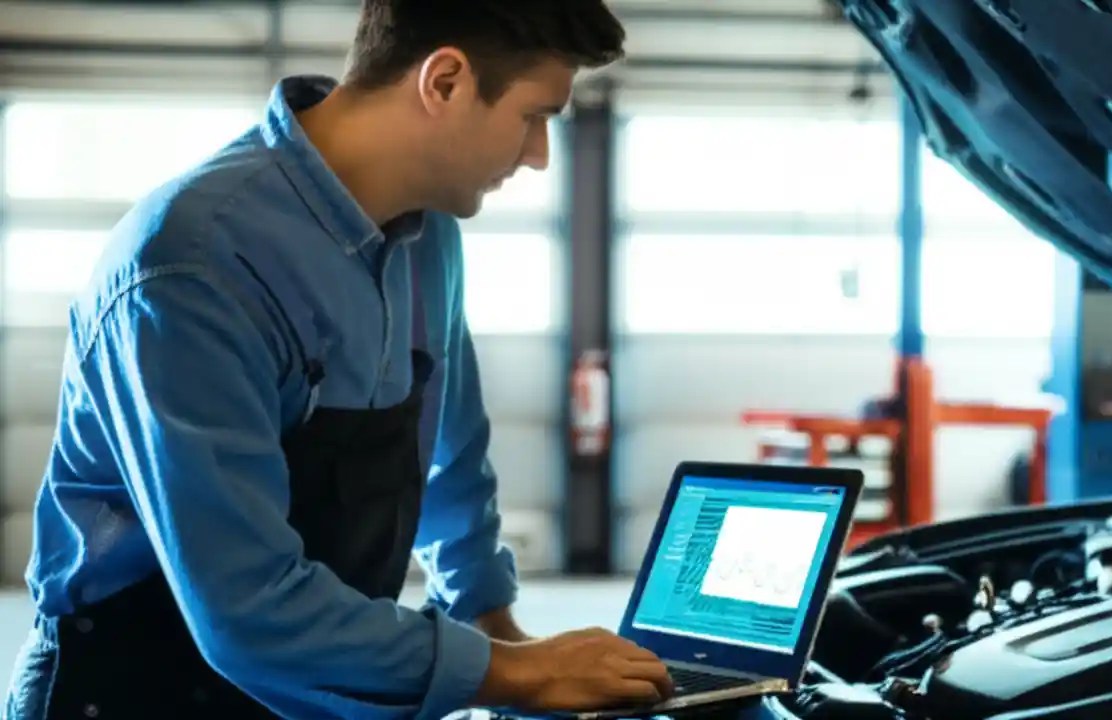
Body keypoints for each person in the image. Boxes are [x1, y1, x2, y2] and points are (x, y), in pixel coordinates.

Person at [4, 1, 676, 718]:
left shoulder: (430, 240)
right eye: (534, 116)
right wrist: (514, 674)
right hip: (135, 687)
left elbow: (452, 462)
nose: (540, 154)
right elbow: (249, 608)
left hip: (309, 684)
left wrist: (494, 623)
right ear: (444, 82)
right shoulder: (192, 269)